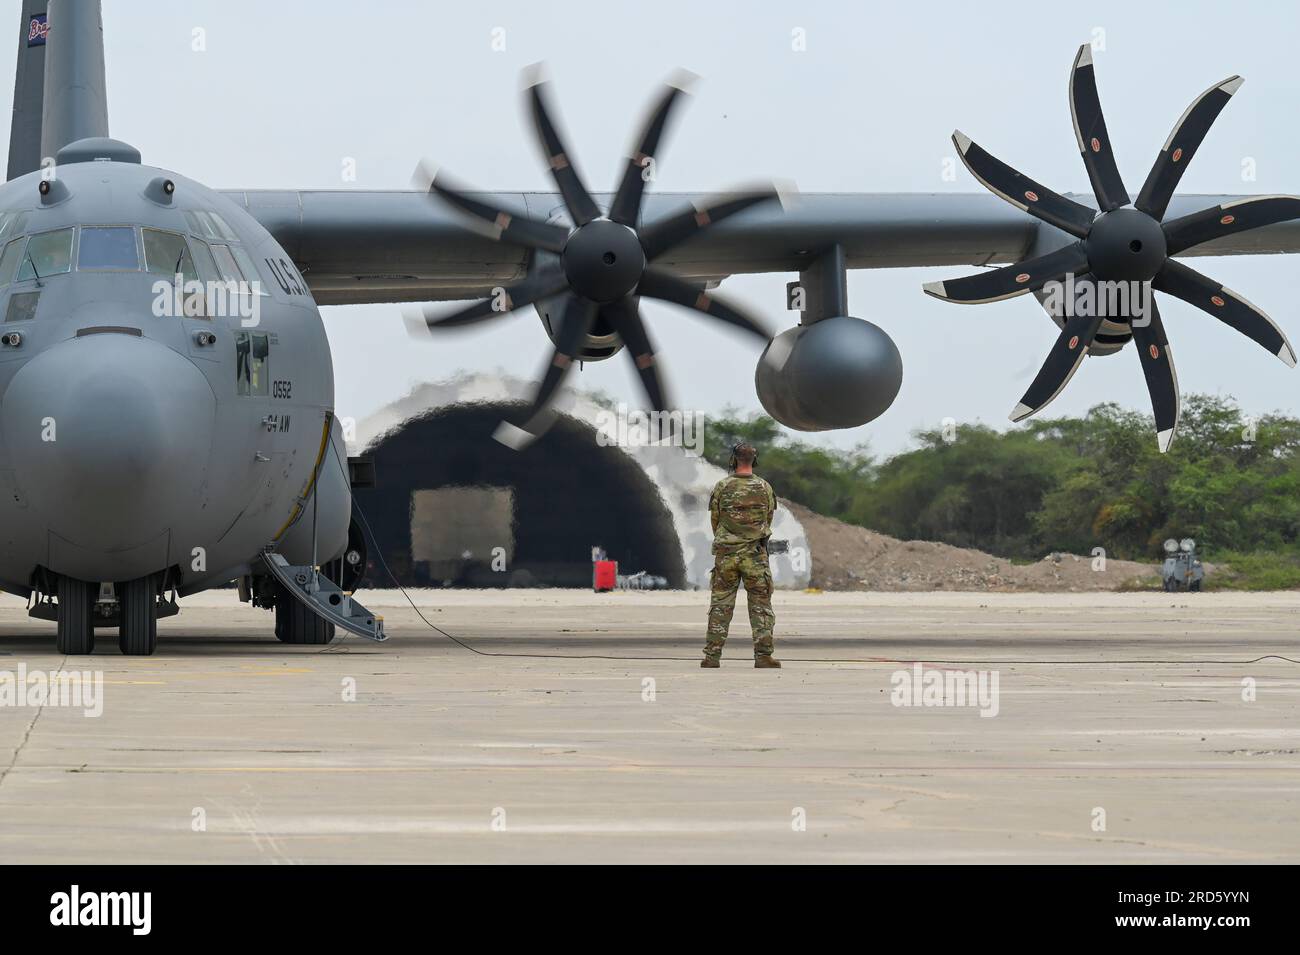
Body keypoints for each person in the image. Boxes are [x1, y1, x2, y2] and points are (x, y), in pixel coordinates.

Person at [702, 442, 780, 668]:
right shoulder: (765, 487)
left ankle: (712, 657)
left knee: (720, 605)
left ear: (733, 459)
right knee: (761, 606)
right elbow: (768, 518)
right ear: (754, 460)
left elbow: (715, 520)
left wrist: (728, 539)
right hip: (755, 556)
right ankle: (763, 656)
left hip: (727, 556)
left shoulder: (722, 486)